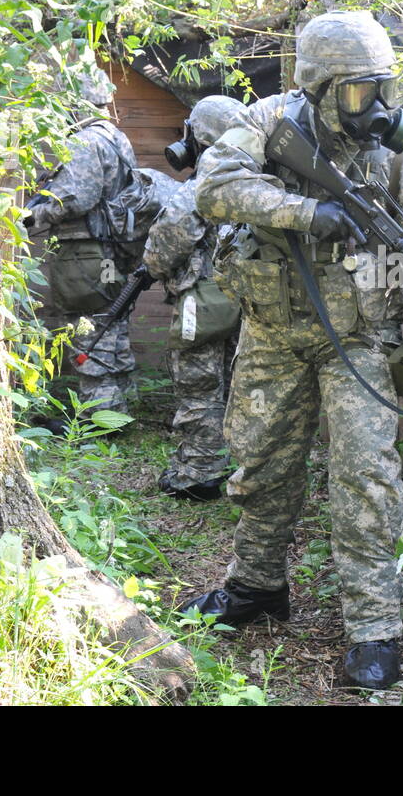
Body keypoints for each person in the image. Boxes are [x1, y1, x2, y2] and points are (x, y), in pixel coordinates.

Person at [181, 11, 403, 690]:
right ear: (317, 88)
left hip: (359, 341)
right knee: (259, 461)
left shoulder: (396, 153)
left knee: (366, 481)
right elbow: (214, 188)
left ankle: (375, 626)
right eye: (356, 93)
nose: (375, 107)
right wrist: (307, 213)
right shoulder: (265, 121)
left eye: (381, 89)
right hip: (273, 330)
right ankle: (254, 586)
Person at [143, 96, 246, 501]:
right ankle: (246, 471)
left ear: (200, 136)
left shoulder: (207, 177)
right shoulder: (257, 177)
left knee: (200, 385)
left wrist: (153, 266)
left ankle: (199, 473)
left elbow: (170, 239)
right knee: (243, 386)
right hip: (253, 300)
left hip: (203, 301)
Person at [25, 56, 139, 415]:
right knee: (111, 325)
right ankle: (118, 408)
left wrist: (26, 218)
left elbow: (73, 197)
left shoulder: (86, 141)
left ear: (72, 101)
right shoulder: (116, 138)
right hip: (109, 251)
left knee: (89, 330)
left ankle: (100, 417)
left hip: (85, 254)